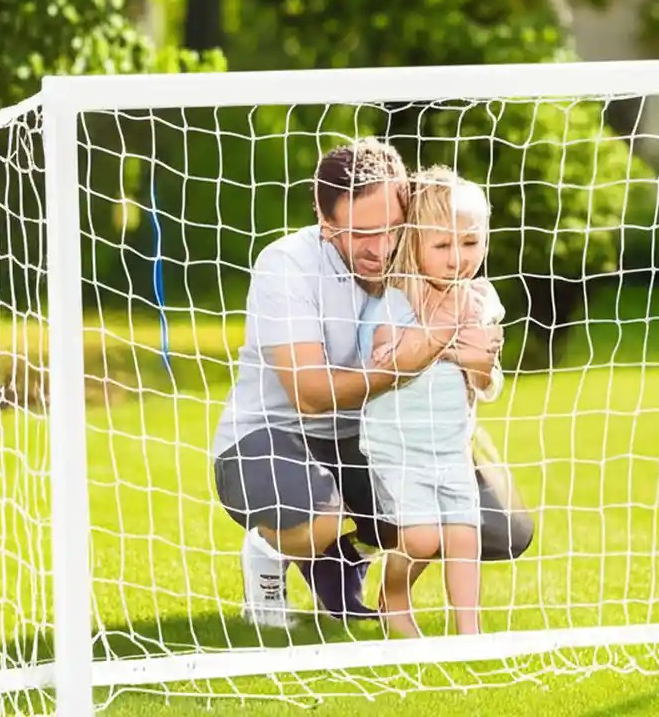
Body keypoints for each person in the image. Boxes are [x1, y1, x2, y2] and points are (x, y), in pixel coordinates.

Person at [210, 138, 533, 629]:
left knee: (499, 528)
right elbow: (310, 395)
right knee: (314, 514)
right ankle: (273, 546)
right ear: (325, 220)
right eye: (362, 234)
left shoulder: (426, 264)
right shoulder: (287, 265)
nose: (381, 249)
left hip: (375, 439)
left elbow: (478, 364)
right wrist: (419, 357)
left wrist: (470, 363)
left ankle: (347, 549)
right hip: (273, 437)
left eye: (392, 228)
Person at [358, 167, 503, 638]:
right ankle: (391, 597)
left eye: (471, 243)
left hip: (451, 447)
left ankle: (469, 633)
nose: (458, 259)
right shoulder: (395, 302)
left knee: (465, 535)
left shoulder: (481, 301)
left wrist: (476, 360)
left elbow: (485, 379)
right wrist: (449, 343)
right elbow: (391, 363)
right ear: (413, 244)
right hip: (397, 447)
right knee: (420, 539)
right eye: (442, 246)